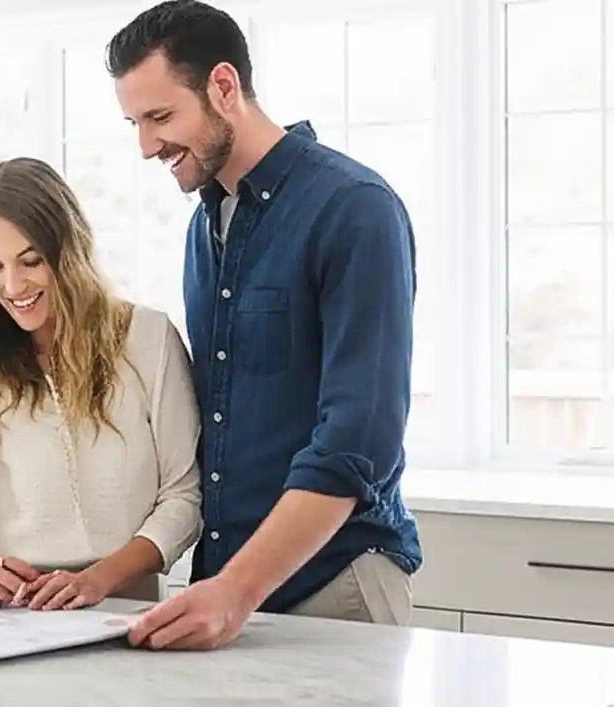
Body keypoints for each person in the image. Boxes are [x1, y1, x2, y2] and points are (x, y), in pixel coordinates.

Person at [105, 0, 423, 649]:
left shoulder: (354, 210)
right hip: (227, 595)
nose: (146, 146)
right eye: (135, 123)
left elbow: (358, 443)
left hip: (336, 590)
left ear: (223, 87)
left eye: (160, 117)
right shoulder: (207, 227)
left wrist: (236, 591)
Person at [0, 156, 204, 610]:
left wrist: (99, 580)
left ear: (68, 251)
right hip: (12, 619)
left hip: (124, 612)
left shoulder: (148, 339)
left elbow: (183, 497)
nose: (12, 285)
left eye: (30, 261)